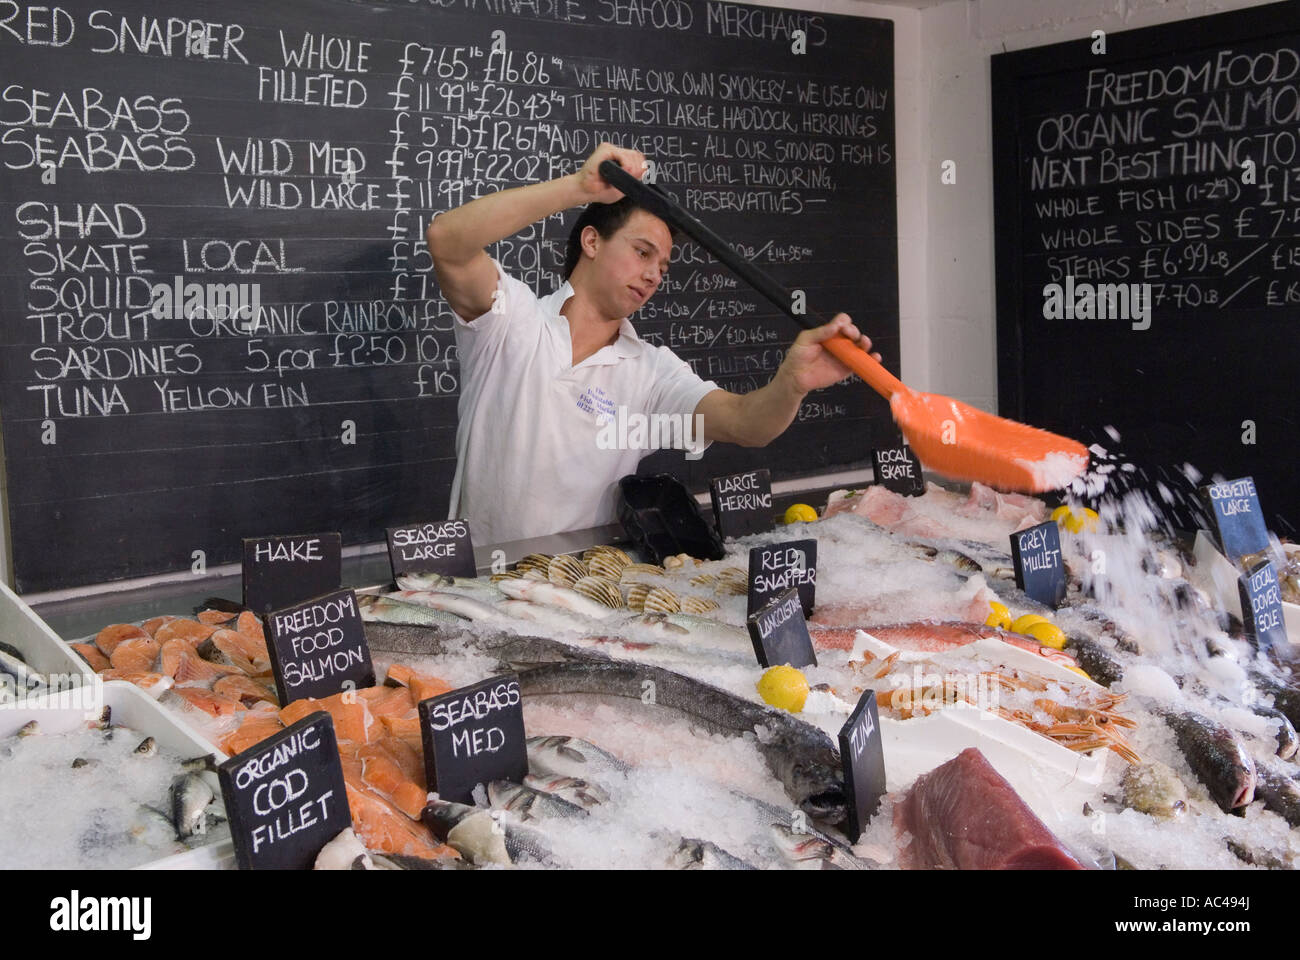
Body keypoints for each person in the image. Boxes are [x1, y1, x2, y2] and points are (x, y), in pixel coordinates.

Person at [426, 143, 880, 545]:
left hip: (581, 585)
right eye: (642, 252)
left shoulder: (651, 371)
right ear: (592, 241)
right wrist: (578, 187)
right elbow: (447, 240)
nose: (652, 275)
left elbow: (747, 423)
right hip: (477, 585)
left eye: (662, 267)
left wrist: (792, 384)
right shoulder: (511, 320)